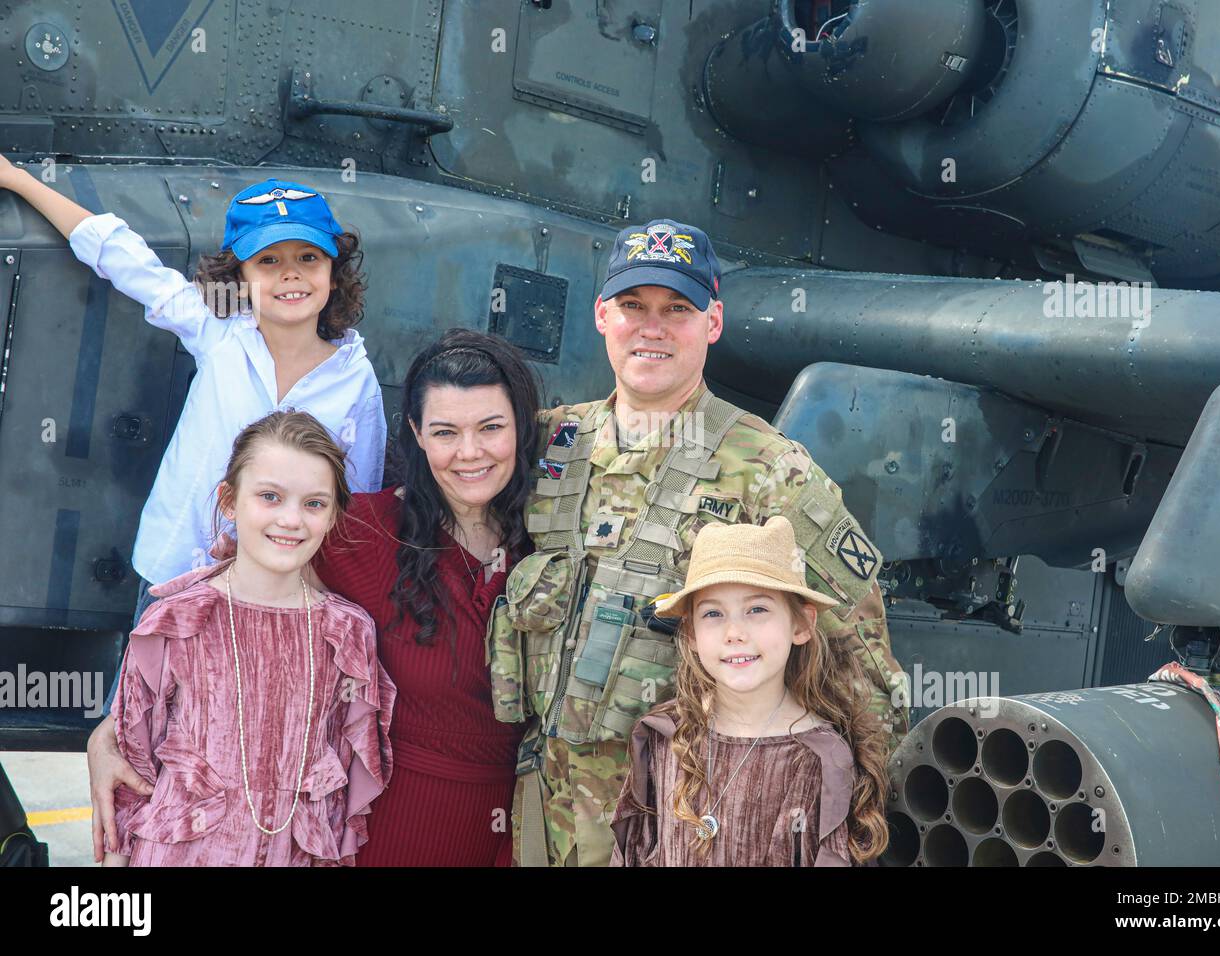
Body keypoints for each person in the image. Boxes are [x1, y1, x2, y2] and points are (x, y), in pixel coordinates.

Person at [494, 218, 909, 867]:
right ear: (604, 314)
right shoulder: (551, 443)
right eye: (634, 306)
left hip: (679, 825)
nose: (652, 327)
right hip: (541, 816)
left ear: (712, 321)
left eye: (677, 310)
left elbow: (866, 668)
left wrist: (828, 829)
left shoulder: (768, 469)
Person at [90, 330, 539, 866]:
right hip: (390, 830)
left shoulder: (557, 539)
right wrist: (109, 735)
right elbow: (229, 604)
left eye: (491, 427)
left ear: (522, 427)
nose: (470, 453)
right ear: (416, 433)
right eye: (445, 431)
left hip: (517, 828)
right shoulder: (362, 533)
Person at [0, 157, 386, 639]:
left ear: (333, 271)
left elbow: (359, 498)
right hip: (177, 570)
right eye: (269, 260)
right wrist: (16, 178)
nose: (291, 275)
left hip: (278, 591)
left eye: (308, 258)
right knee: (141, 704)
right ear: (240, 276)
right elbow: (120, 256)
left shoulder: (356, 379)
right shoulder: (218, 331)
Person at [103, 411, 394, 866]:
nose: (291, 519)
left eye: (314, 504)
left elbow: (343, 794)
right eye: (270, 497)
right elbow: (132, 772)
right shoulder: (174, 622)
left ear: (334, 514)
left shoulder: (348, 633)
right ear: (229, 501)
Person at [608, 516, 889, 866]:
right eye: (713, 613)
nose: (734, 631)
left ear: (801, 625)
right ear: (692, 634)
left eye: (757, 609)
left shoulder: (822, 759)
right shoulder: (663, 737)